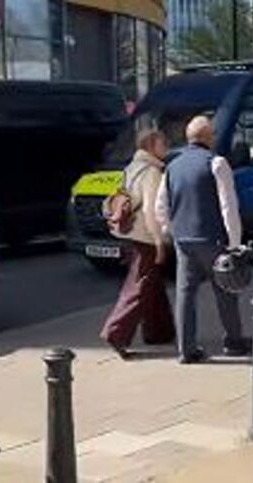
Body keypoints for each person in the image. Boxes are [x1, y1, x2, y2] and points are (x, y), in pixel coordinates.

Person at [155, 116, 250, 364]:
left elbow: (160, 206)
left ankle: (186, 349)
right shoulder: (216, 163)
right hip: (213, 239)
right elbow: (228, 206)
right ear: (209, 137)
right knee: (226, 290)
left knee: (185, 294)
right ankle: (234, 342)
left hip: (184, 240)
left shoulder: (172, 167)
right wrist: (235, 244)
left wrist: (171, 230)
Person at [99, 129, 175, 359]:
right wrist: (159, 241)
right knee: (139, 286)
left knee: (153, 285)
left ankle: (159, 332)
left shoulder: (131, 167)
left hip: (128, 234)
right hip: (144, 236)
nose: (166, 146)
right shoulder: (152, 172)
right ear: (151, 145)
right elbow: (151, 211)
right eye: (162, 143)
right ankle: (115, 332)